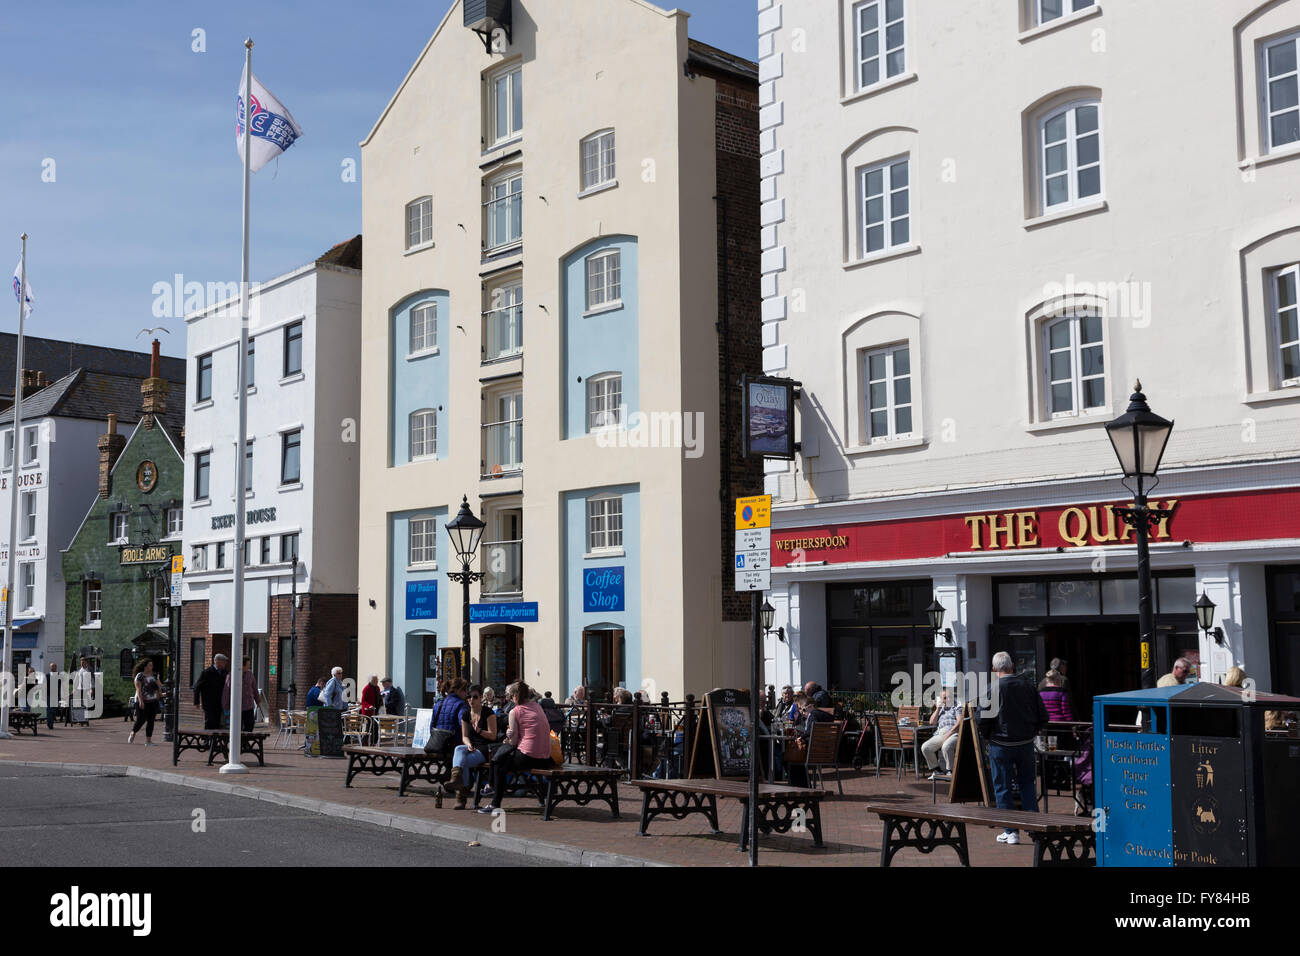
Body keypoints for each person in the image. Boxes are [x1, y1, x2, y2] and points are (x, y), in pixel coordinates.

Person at [981, 651, 1048, 845]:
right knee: (1028, 784)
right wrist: (1031, 732)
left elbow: (982, 718)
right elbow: (1043, 715)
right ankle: (1035, 829)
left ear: (994, 669)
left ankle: (1011, 831)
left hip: (1000, 744)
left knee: (1002, 787)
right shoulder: (1028, 687)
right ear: (1012, 667)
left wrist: (989, 736)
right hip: (1025, 744)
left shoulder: (991, 688)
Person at [479, 681, 555, 814]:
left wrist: (508, 737)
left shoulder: (515, 711)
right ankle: (491, 786)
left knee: (499, 763)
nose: (510, 698)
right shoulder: (537, 707)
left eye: (510, 695)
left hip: (529, 756)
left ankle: (494, 801)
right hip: (545, 756)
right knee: (500, 754)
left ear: (515, 696)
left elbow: (513, 742)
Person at [447, 684, 498, 809]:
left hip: (485, 749)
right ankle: (457, 781)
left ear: (481, 697)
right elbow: (464, 736)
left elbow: (493, 736)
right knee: (459, 749)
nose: (471, 700)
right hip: (472, 747)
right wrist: (469, 744)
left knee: (461, 761)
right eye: (469, 697)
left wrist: (479, 731)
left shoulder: (488, 713)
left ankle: (460, 797)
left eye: (475, 697)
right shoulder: (465, 714)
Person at [786, 692, 834, 788]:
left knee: (792, 756)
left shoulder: (813, 715)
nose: (802, 712)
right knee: (795, 755)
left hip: (813, 752)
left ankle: (800, 786)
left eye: (803, 709)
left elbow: (811, 730)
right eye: (800, 710)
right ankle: (802, 785)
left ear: (811, 706)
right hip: (825, 751)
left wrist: (801, 737)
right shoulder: (823, 715)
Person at [922, 689, 962, 778]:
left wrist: (949, 733)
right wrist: (938, 709)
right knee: (926, 747)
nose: (947, 699)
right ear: (941, 699)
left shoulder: (957, 707)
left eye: (949, 697)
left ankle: (949, 770)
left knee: (946, 746)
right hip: (940, 733)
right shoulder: (941, 709)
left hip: (954, 732)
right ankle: (937, 770)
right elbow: (932, 722)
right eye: (945, 698)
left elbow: (959, 722)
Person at [128, 659, 167, 746]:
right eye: (150, 665)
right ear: (145, 666)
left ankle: (148, 741)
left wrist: (163, 688)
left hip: (153, 701)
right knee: (141, 720)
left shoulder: (155, 675)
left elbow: (160, 685)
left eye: (152, 665)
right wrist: (141, 701)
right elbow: (138, 690)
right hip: (142, 701)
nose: (152, 667)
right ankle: (133, 732)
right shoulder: (140, 676)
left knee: (151, 721)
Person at [222, 656, 262, 734]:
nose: (249, 666)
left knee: (250, 724)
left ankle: (245, 741)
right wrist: (226, 705)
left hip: (249, 705)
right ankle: (239, 742)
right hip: (237, 706)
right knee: (237, 727)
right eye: (248, 665)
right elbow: (227, 691)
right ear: (242, 666)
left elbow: (254, 688)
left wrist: (258, 701)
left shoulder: (250, 674)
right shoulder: (232, 675)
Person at [193, 654, 230, 730]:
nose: (225, 664)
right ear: (217, 661)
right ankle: (207, 740)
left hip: (220, 702)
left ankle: (214, 740)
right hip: (209, 703)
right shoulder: (207, 672)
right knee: (209, 722)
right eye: (224, 662)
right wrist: (196, 701)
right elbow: (197, 687)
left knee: (217, 723)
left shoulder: (225, 673)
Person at [72, 657, 94, 725]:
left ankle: (85, 720)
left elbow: (91, 681)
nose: (82, 663)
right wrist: (74, 689)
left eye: (83, 662)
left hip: (86, 690)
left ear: (86, 663)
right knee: (79, 705)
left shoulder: (89, 671)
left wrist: (91, 689)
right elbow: (75, 682)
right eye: (81, 662)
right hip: (79, 690)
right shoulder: (79, 671)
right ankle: (80, 719)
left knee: (85, 705)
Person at [45, 661, 61, 730]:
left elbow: (60, 685)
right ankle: (49, 724)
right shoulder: (47, 675)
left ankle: (51, 722)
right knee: (49, 709)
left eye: (54, 666)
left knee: (54, 710)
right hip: (48, 694)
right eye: (51, 666)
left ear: (56, 667)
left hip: (56, 695)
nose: (53, 668)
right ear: (50, 668)